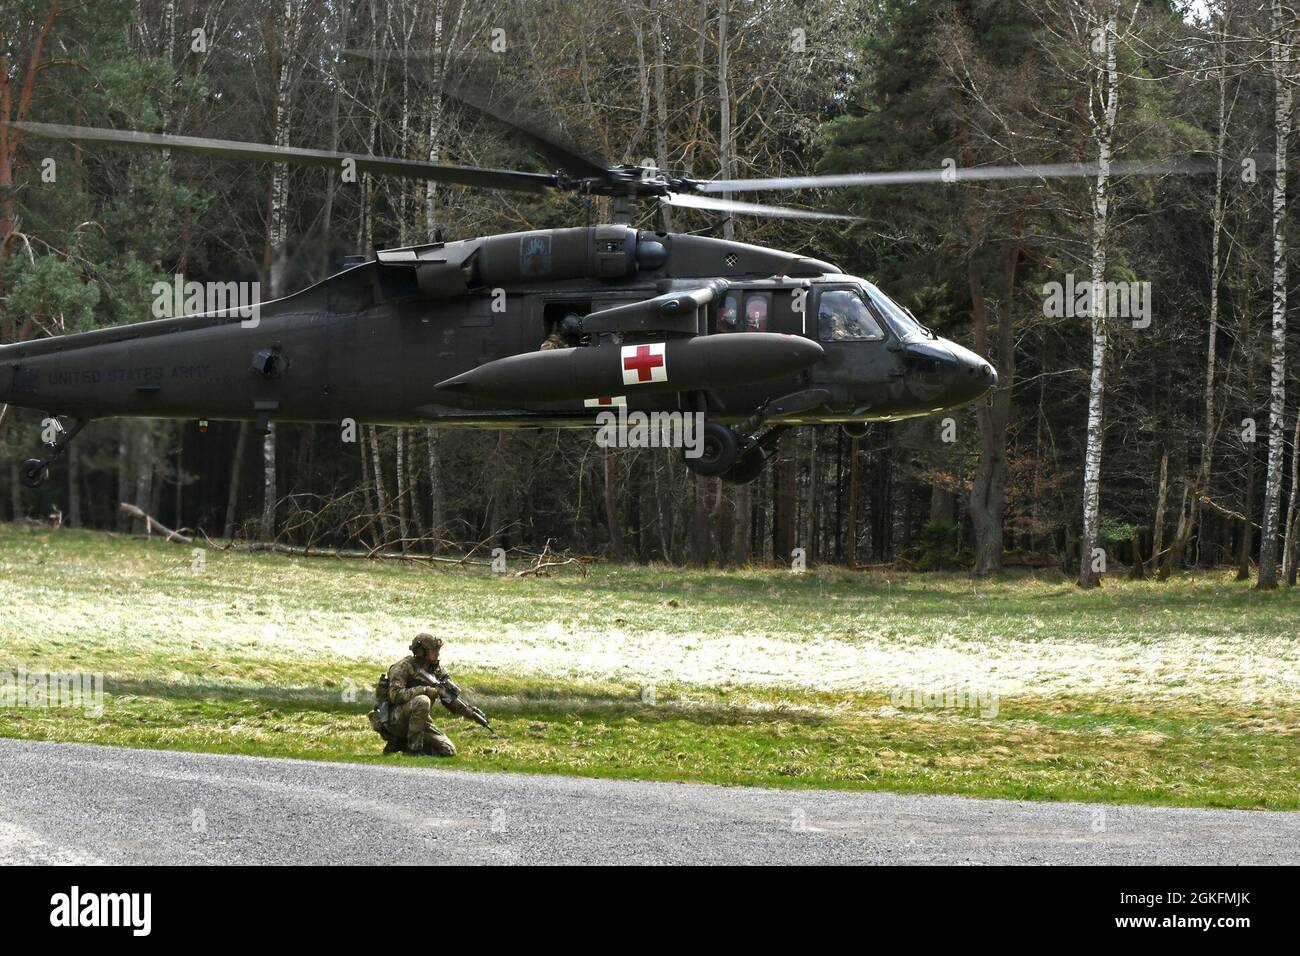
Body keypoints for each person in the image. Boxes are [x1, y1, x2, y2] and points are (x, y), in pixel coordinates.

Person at [375, 634, 458, 757]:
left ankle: (400, 743)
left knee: (448, 750)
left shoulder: (435, 670)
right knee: (422, 701)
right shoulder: (403, 667)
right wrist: (424, 690)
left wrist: (469, 713)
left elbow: (450, 697)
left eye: (438, 650)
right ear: (421, 652)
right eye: (434, 651)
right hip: (396, 719)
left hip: (420, 720)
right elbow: (395, 695)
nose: (437, 654)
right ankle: (413, 750)